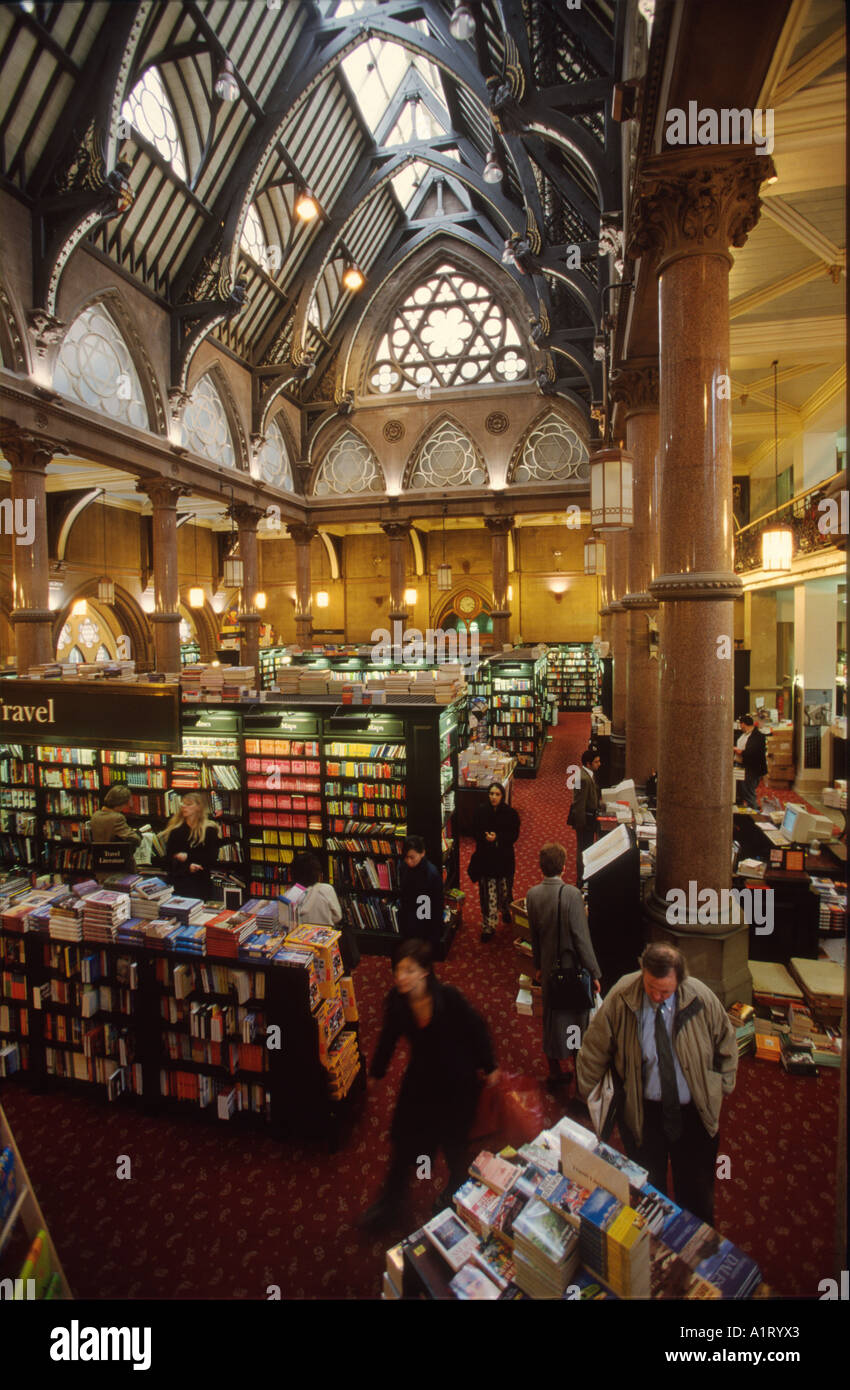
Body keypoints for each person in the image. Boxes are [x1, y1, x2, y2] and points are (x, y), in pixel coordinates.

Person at [576, 942, 738, 1225]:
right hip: (643, 1115)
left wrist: (722, 1085)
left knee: (697, 1195)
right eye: (651, 987)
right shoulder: (623, 996)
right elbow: (594, 1046)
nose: (656, 996)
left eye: (665, 991)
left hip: (694, 1115)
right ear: (643, 973)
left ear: (680, 980)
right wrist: (589, 1092)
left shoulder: (701, 997)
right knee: (649, 1193)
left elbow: (726, 1040)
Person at [360, 938, 499, 1230]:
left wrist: (489, 1067)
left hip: (456, 1082)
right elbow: (388, 1037)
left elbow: (477, 1028)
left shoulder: (448, 998)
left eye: (408, 970)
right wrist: (376, 1073)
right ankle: (390, 1202)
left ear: (425, 972)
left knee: (453, 1143)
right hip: (421, 1080)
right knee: (403, 1139)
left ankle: (457, 1187)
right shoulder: (398, 1002)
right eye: (398, 970)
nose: (401, 977)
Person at [526, 842, 600, 1093]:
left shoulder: (532, 895)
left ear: (540, 868)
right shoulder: (571, 895)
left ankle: (555, 1070)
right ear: (564, 867)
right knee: (575, 1021)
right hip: (572, 970)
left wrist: (537, 965)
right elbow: (582, 938)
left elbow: (534, 935)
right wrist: (595, 972)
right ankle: (579, 1075)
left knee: (551, 1017)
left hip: (549, 968)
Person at [290, 851, 360, 972]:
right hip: (328, 943)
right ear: (317, 872)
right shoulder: (327, 889)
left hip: (303, 948)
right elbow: (337, 917)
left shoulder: (292, 895)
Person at [472, 781, 520, 943]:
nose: (493, 797)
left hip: (503, 859)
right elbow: (474, 830)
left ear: (502, 796)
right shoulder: (480, 811)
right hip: (486, 860)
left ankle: (506, 909)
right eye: (491, 794)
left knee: (505, 890)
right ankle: (489, 925)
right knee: (488, 894)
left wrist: (497, 838)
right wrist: (485, 838)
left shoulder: (510, 814)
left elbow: (514, 835)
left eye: (497, 794)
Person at [160, 792, 220, 899]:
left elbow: (211, 857)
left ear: (198, 807)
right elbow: (168, 860)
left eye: (189, 804)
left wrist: (188, 857)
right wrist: (187, 867)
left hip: (200, 881)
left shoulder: (209, 830)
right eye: (183, 804)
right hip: (178, 880)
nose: (184, 807)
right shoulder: (176, 830)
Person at [398, 835, 443, 947]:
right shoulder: (403, 868)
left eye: (412, 857)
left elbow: (436, 905)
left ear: (422, 853)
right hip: (409, 916)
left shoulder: (432, 874)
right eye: (406, 857)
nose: (408, 861)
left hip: (425, 921)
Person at [569, 748, 600, 885]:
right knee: (583, 849)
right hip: (584, 821)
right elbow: (578, 804)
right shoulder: (582, 778)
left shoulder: (588, 775)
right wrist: (581, 825)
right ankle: (581, 879)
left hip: (589, 818)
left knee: (586, 848)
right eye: (596, 762)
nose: (599, 764)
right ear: (588, 764)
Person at [88, 784, 141, 849]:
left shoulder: (95, 815)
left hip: (99, 856)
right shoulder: (117, 818)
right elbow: (136, 840)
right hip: (114, 856)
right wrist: (138, 834)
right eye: (125, 803)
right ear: (120, 803)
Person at [735, 714, 767, 811]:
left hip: (751, 769)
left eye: (740, 724)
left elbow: (750, 752)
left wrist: (738, 751)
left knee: (748, 793)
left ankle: (754, 814)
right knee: (740, 792)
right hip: (741, 767)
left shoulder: (757, 736)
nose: (740, 727)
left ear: (744, 724)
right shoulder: (745, 734)